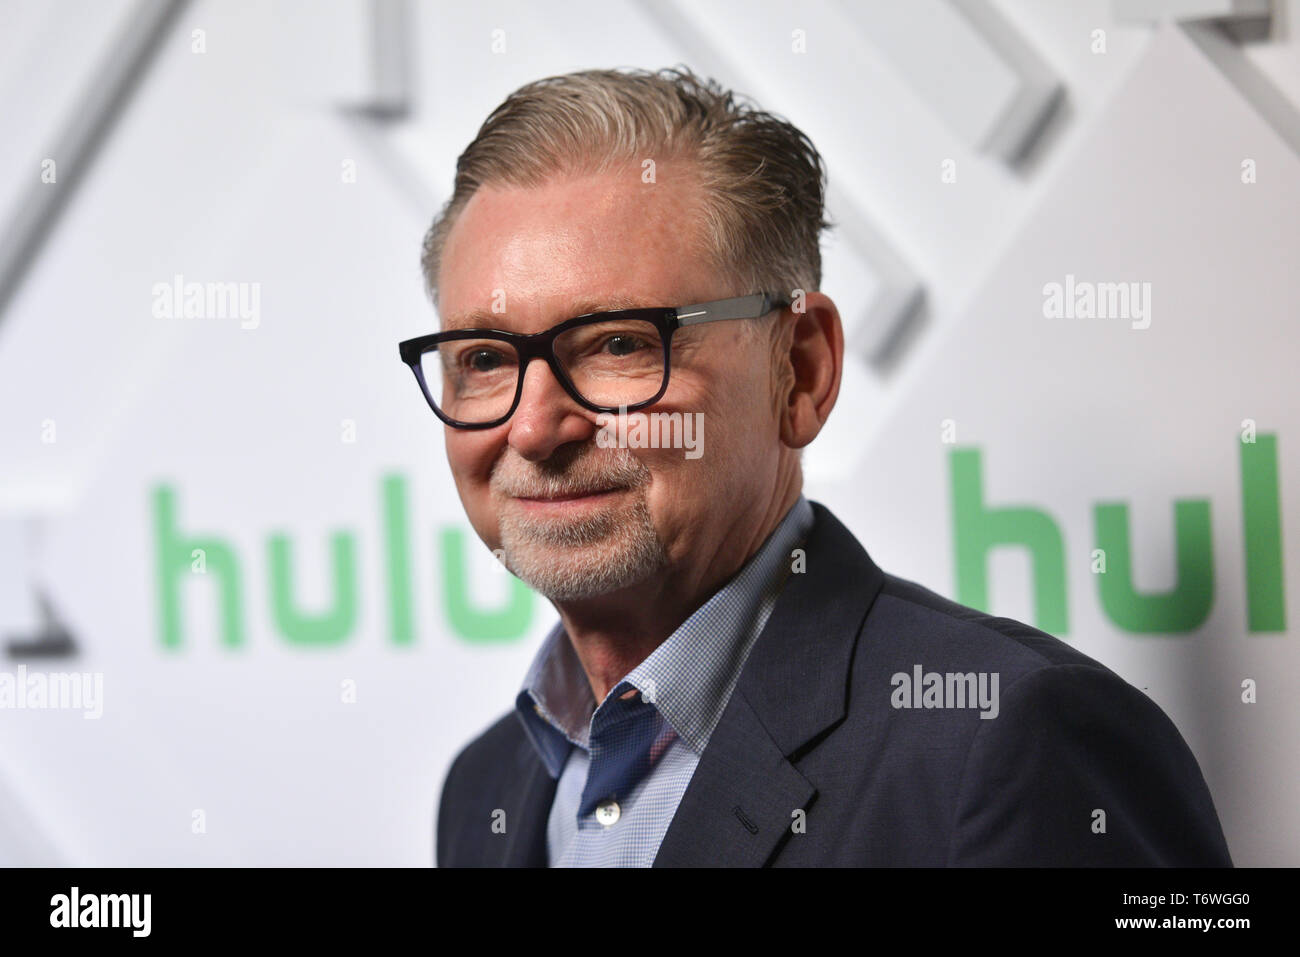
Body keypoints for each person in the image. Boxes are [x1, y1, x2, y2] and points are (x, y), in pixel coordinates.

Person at [401, 66, 1232, 867]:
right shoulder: (485, 788)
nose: (537, 425)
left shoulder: (1012, 739)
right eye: (483, 358)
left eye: (620, 344)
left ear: (798, 369)